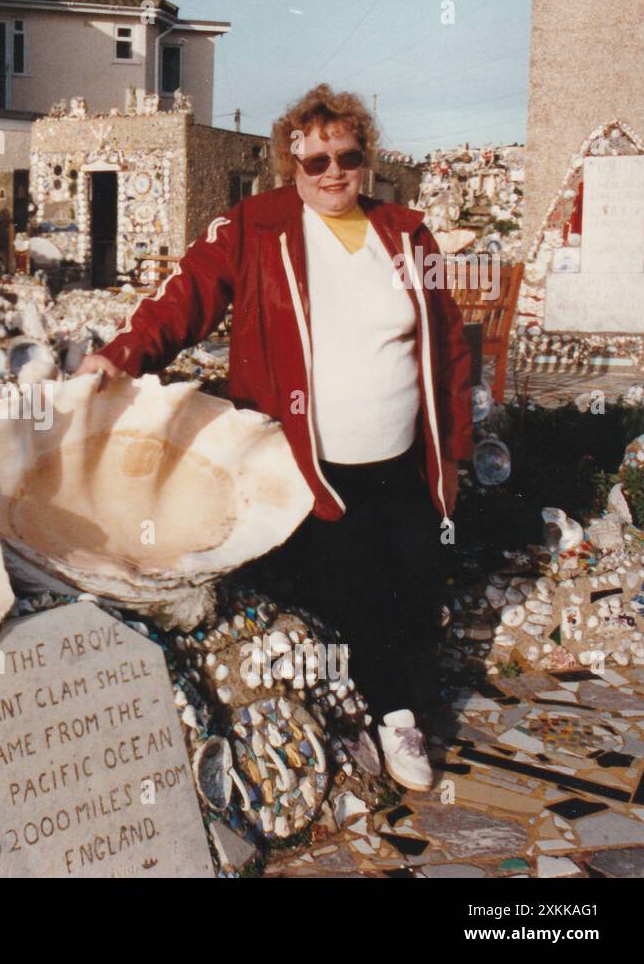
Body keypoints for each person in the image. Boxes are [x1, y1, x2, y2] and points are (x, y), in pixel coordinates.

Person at [74, 84, 473, 792]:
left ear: (366, 158)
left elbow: (448, 349)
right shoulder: (256, 227)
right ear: (291, 163)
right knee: (357, 585)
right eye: (315, 161)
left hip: (405, 459)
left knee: (415, 576)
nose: (332, 173)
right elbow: (186, 293)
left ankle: (374, 696)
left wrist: (457, 454)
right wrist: (125, 354)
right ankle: (394, 713)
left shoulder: (410, 235)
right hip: (312, 462)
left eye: (347, 156)